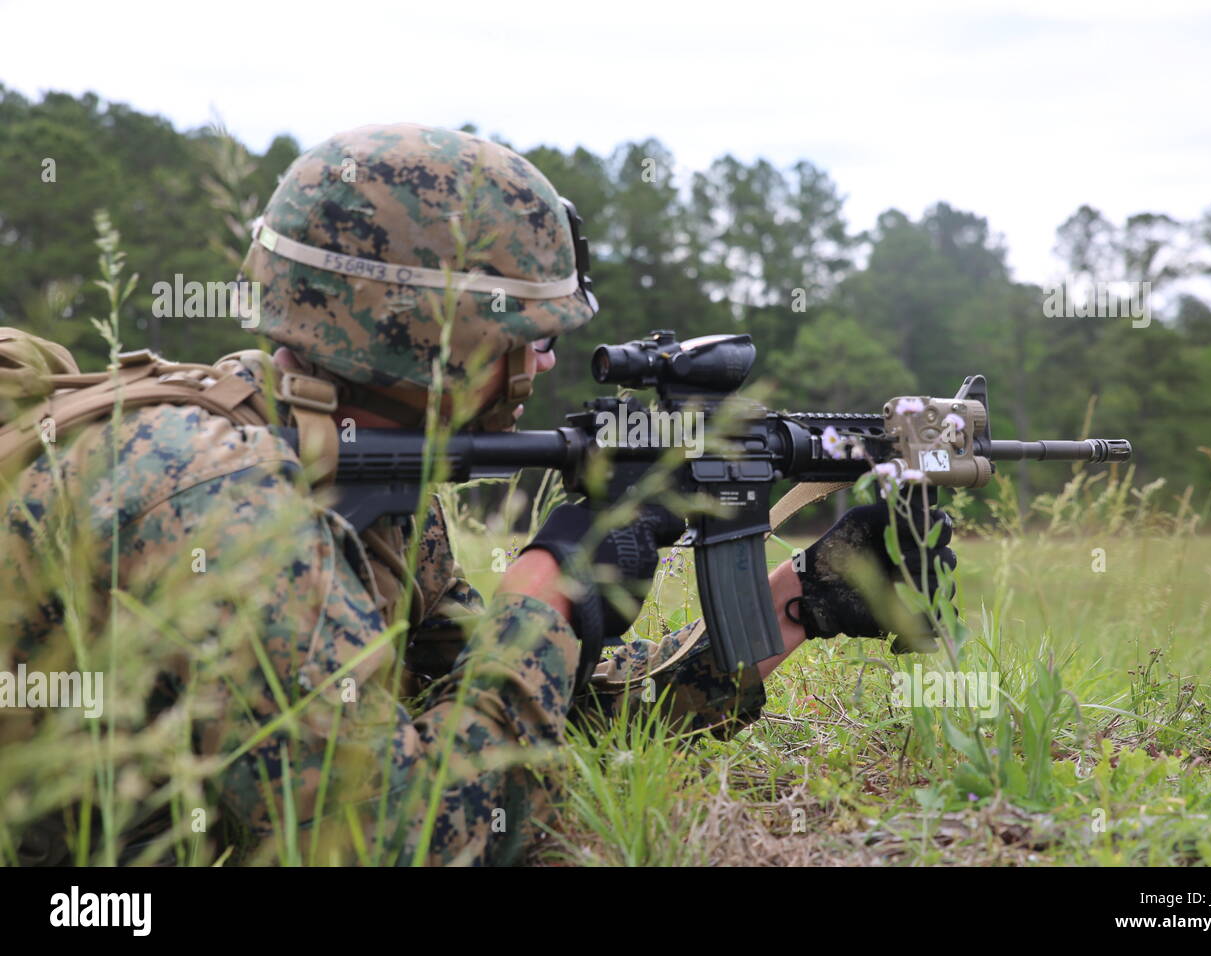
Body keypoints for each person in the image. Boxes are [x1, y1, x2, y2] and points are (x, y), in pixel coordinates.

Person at [1, 124, 955, 866]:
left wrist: (807, 598)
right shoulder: (226, 498)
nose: (543, 357)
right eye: (525, 329)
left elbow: (513, 721)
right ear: (427, 333)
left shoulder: (349, 455)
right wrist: (545, 587)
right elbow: (406, 836)